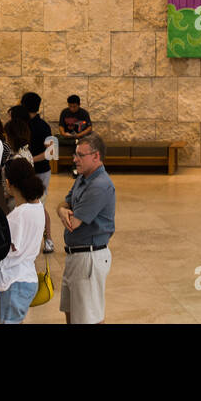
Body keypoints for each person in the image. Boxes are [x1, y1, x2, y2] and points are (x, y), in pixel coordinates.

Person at [55, 133, 115, 324]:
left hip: (88, 258)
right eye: (75, 154)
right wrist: (62, 210)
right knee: (71, 313)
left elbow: (73, 223)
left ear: (96, 156)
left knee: (89, 317)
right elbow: (63, 203)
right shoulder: (83, 178)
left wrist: (64, 212)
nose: (75, 159)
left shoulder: (99, 185)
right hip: (75, 256)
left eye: (80, 155)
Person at [0, 157, 45, 324]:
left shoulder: (18, 215)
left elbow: (5, 250)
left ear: (8, 183)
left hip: (14, 282)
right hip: (27, 278)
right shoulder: (38, 207)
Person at [20, 91, 56, 252]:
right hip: (28, 171)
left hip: (40, 171)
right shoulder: (23, 123)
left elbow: (51, 152)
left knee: (39, 205)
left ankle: (48, 239)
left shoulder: (42, 126)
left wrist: (30, 159)